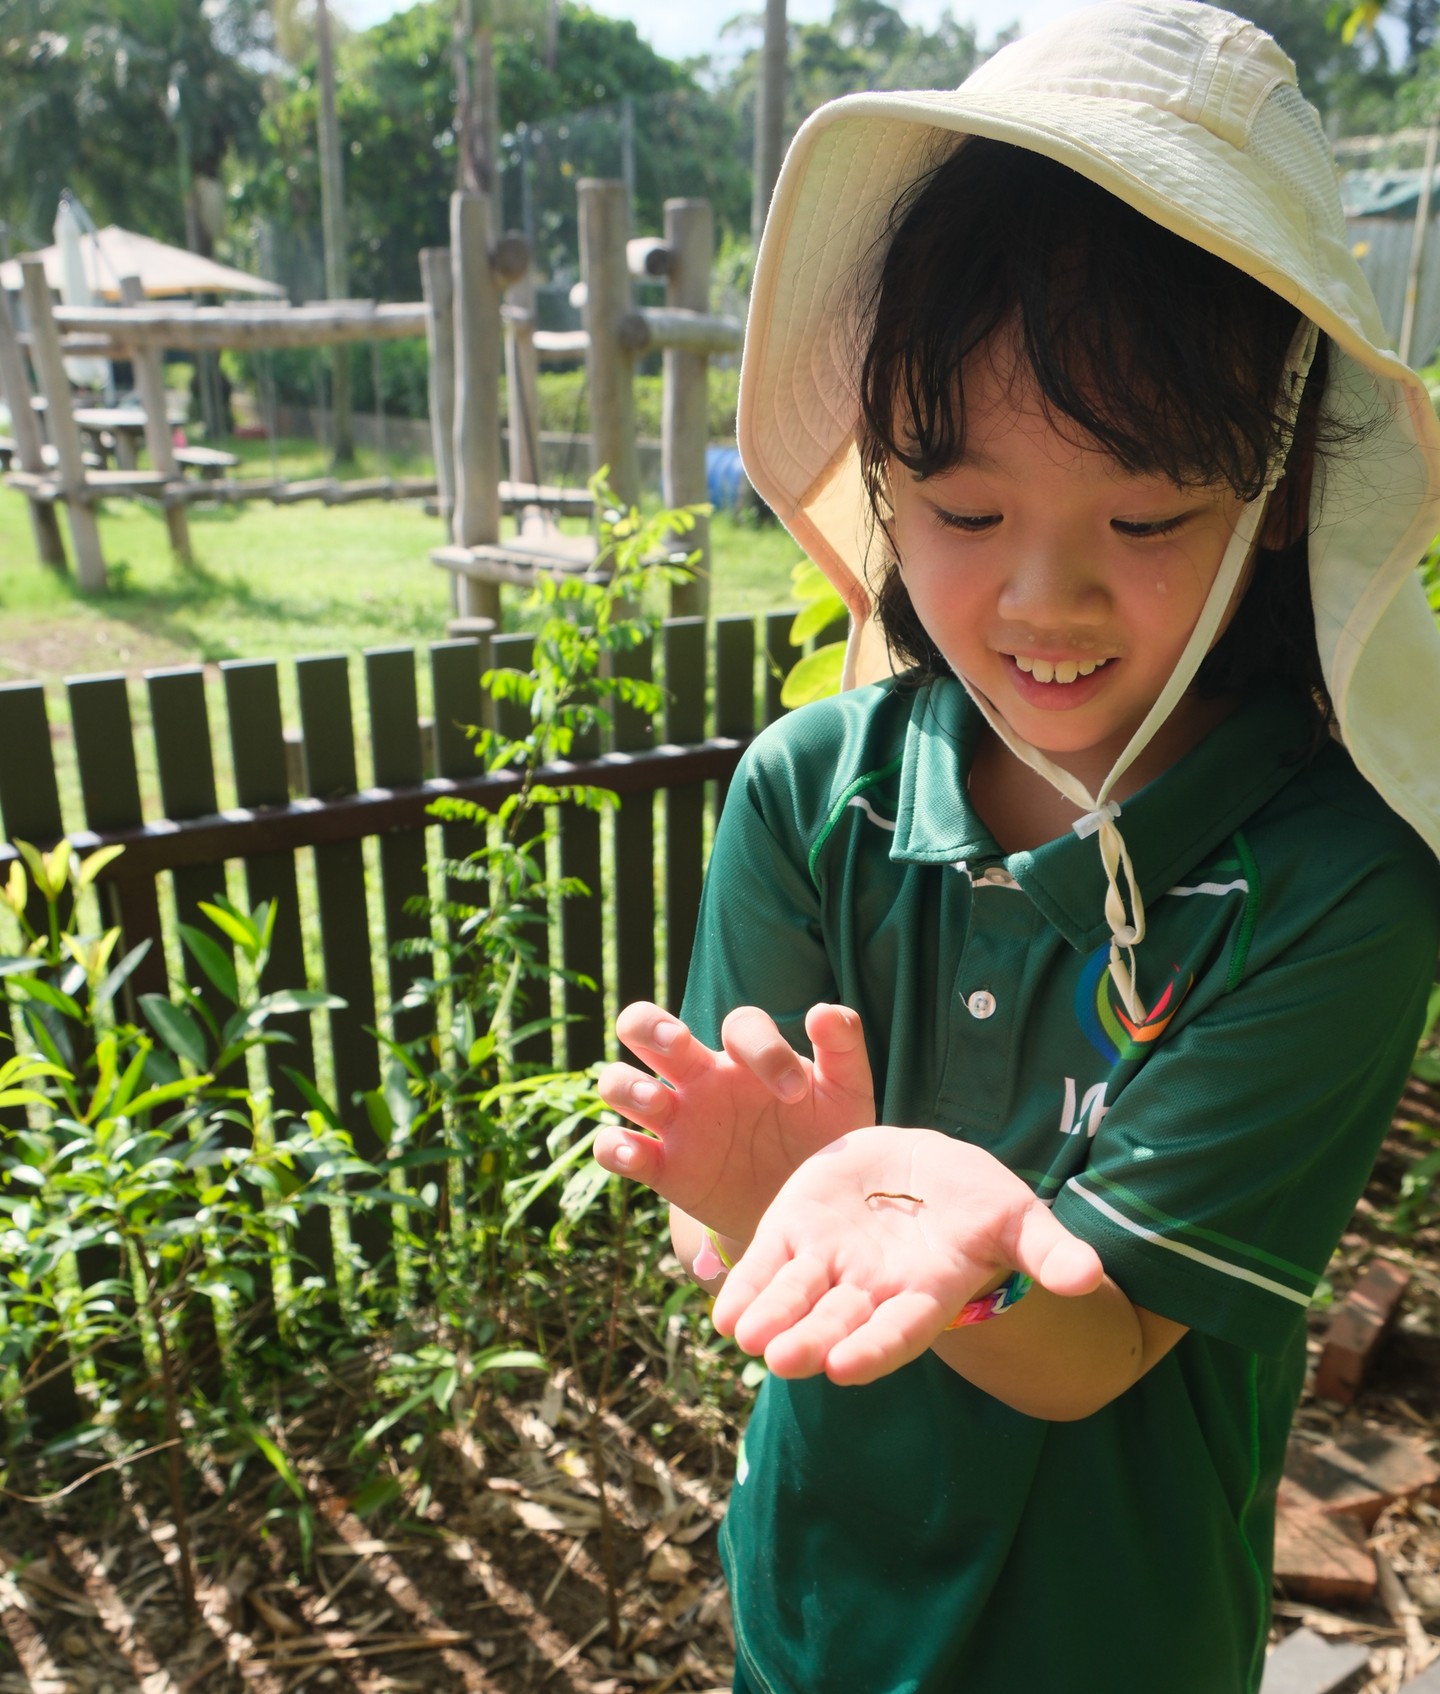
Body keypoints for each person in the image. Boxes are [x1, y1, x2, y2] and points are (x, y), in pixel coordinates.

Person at [594, 4, 1440, 1690]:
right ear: (883, 479)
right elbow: (744, 1233)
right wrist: (751, 1194)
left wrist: (970, 1256)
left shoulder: (1338, 882)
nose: (1043, 600)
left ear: (1278, 489)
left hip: (1118, 1642)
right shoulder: (810, 797)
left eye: (1145, 515)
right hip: (815, 1618)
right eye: (966, 511)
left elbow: (1092, 1343)